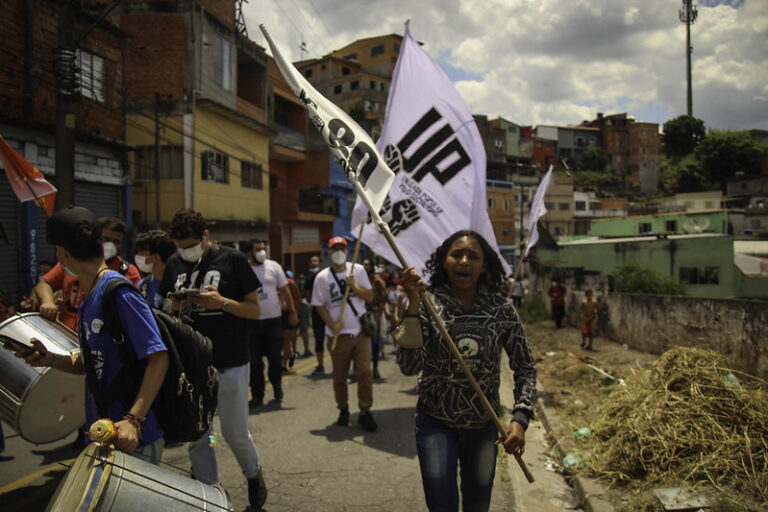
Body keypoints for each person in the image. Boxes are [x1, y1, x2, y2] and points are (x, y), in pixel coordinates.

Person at [395, 230, 537, 512]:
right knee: (442, 506)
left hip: (484, 428)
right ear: (443, 262)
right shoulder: (426, 305)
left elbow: (525, 366)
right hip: (436, 423)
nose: (463, 261)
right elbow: (408, 366)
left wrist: (520, 418)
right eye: (456, 254)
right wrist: (412, 305)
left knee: (477, 506)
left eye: (473, 256)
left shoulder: (502, 310)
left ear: (484, 266)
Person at [14, 206, 169, 462]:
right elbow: (92, 363)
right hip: (103, 434)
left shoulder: (119, 293)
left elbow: (159, 357)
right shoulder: (90, 299)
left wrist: (134, 419)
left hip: (132, 439)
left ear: (61, 253)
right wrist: (50, 359)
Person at [160, 209, 267, 511]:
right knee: (200, 435)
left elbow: (254, 309)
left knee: (234, 433)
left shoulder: (232, 260)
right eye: (180, 246)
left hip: (231, 361)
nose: (185, 252)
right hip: (192, 364)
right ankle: (210, 498)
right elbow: (167, 311)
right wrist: (178, 305)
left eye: (191, 245)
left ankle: (253, 472)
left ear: (205, 237)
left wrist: (220, 302)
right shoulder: (173, 264)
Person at [311, 237, 378, 432]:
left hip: (359, 332)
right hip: (337, 336)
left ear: (347, 251)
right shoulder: (322, 278)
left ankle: (365, 411)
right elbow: (318, 305)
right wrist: (332, 324)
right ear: (329, 253)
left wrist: (355, 286)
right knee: (339, 377)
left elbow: (370, 296)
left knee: (365, 372)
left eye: (342, 248)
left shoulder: (357, 270)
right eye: (335, 249)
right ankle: (343, 408)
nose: (338, 251)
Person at [246, 240, 296, 407]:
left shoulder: (273, 266)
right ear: (250, 252)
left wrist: (293, 312)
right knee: (254, 362)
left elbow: (285, 290)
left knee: (275, 358)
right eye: (257, 249)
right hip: (252, 323)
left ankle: (277, 386)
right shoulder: (245, 269)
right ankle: (257, 395)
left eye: (263, 248)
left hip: (273, 321)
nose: (261, 251)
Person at [134, 230, 176, 309]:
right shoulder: (143, 285)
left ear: (156, 257)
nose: (138, 256)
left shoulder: (176, 286)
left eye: (142, 252)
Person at [362, 259, 387, 380]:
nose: (364, 266)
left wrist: (375, 307)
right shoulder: (359, 280)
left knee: (375, 342)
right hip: (361, 315)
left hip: (374, 315)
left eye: (367, 264)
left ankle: (375, 367)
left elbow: (384, 297)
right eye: (363, 264)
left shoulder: (378, 282)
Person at [99, 217, 141, 285]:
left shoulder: (129, 272)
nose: (111, 245)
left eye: (116, 242)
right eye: (106, 239)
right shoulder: (82, 266)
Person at [304, 255, 327, 376]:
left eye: (315, 261)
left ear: (320, 264)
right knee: (319, 339)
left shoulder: (325, 277)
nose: (313, 263)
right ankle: (320, 365)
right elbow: (308, 297)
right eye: (311, 261)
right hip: (317, 313)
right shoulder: (309, 280)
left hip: (329, 311)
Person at [281, 270, 301, 372]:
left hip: (287, 313)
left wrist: (294, 313)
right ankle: (289, 355)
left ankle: (284, 363)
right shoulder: (272, 282)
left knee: (286, 340)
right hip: (277, 314)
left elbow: (298, 298)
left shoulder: (290, 283)